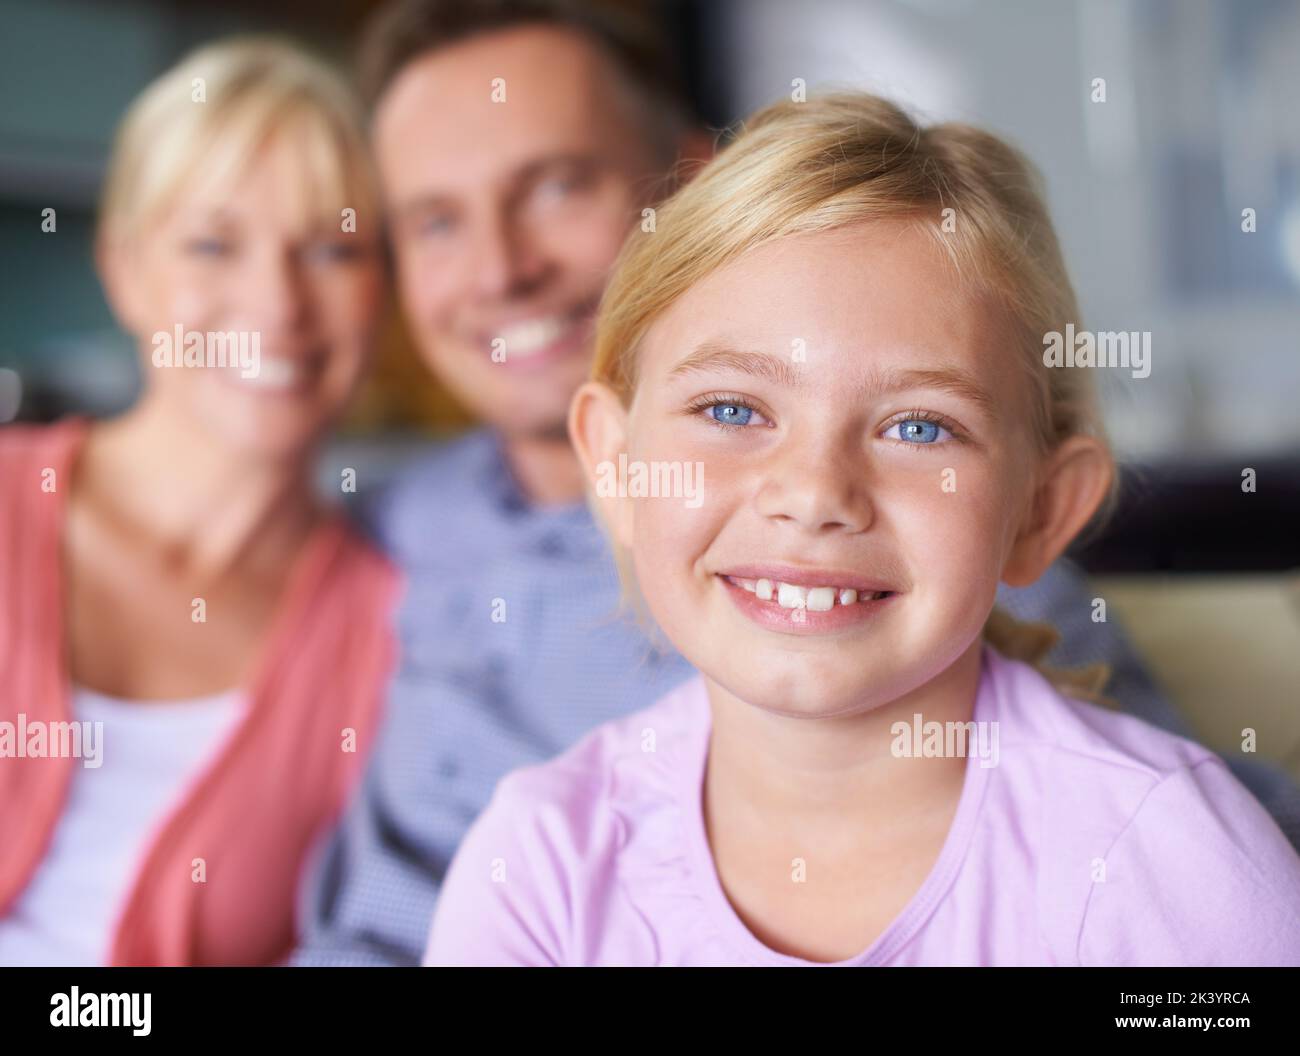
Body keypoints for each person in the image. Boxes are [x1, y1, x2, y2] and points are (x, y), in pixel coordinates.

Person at [293, 0, 1300, 966]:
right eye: (433, 220)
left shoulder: (1129, 833)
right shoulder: (397, 538)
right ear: (612, 455)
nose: (812, 491)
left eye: (554, 186)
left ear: (687, 182)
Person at [0, 37, 399, 966]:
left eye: (334, 249)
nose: (276, 301)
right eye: (214, 243)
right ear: (126, 268)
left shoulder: (389, 629)